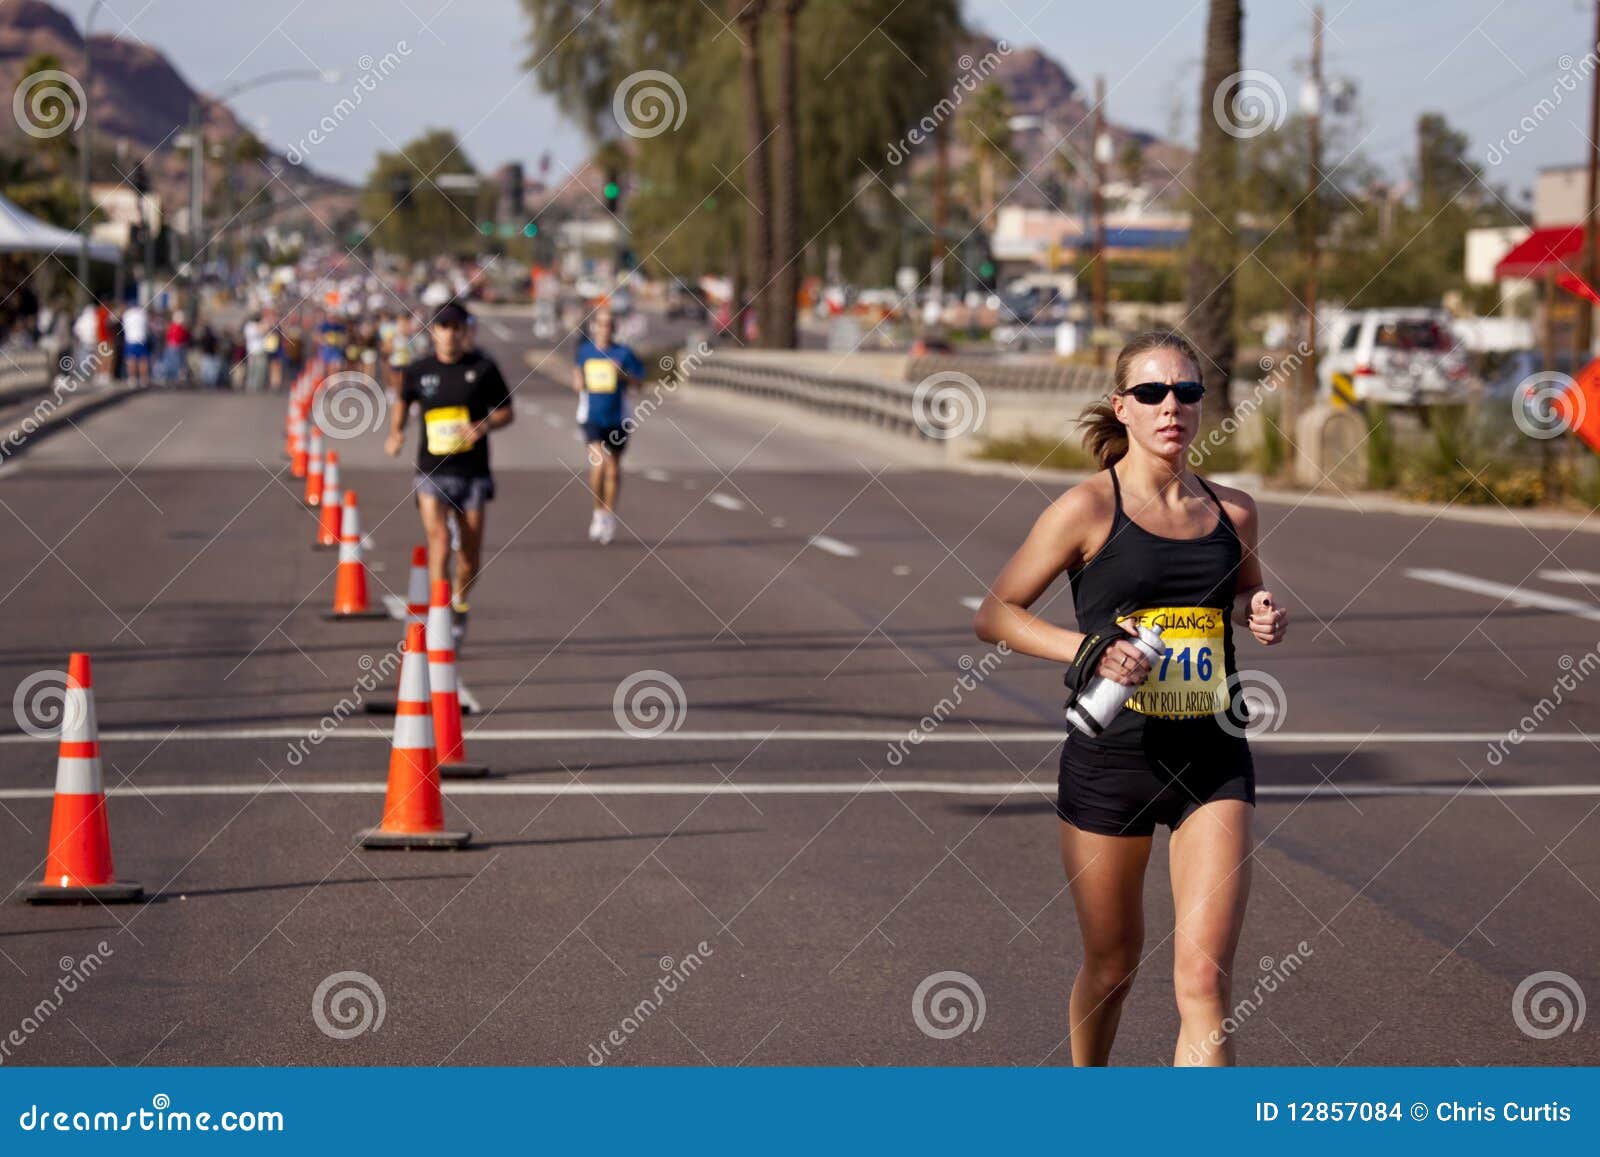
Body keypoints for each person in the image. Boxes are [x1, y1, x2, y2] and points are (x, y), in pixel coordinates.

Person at [973, 330, 1288, 1067]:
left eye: (1186, 391)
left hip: (1213, 755)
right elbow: (996, 613)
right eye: (1151, 392)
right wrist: (1085, 649)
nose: (1171, 406)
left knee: (1204, 979)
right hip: (1112, 760)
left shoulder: (1235, 510)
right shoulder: (1086, 508)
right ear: (1122, 407)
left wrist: (1259, 611)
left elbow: (1240, 595)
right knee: (1113, 967)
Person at [386, 300, 514, 632]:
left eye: (456, 328)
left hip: (473, 473)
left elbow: (507, 411)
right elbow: (403, 401)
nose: (450, 334)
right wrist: (396, 432)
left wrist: (484, 425)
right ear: (434, 332)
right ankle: (439, 615)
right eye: (444, 327)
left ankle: (459, 600)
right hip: (432, 470)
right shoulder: (419, 370)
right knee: (440, 540)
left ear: (464, 331)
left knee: (470, 555)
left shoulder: (483, 368)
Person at [572, 307, 644, 544]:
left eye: (609, 324)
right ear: (595, 327)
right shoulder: (585, 351)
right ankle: (597, 512)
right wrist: (579, 381)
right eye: (602, 324)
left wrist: (622, 375)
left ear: (614, 328)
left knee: (613, 470)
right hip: (592, 416)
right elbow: (577, 376)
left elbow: (639, 382)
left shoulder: (624, 353)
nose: (605, 328)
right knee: (598, 464)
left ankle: (608, 515)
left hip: (617, 418)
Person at [122, 301, 150, 387]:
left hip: (131, 340)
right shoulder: (143, 314)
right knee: (143, 360)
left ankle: (132, 379)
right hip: (141, 339)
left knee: (131, 360)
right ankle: (143, 378)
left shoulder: (127, 314)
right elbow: (146, 326)